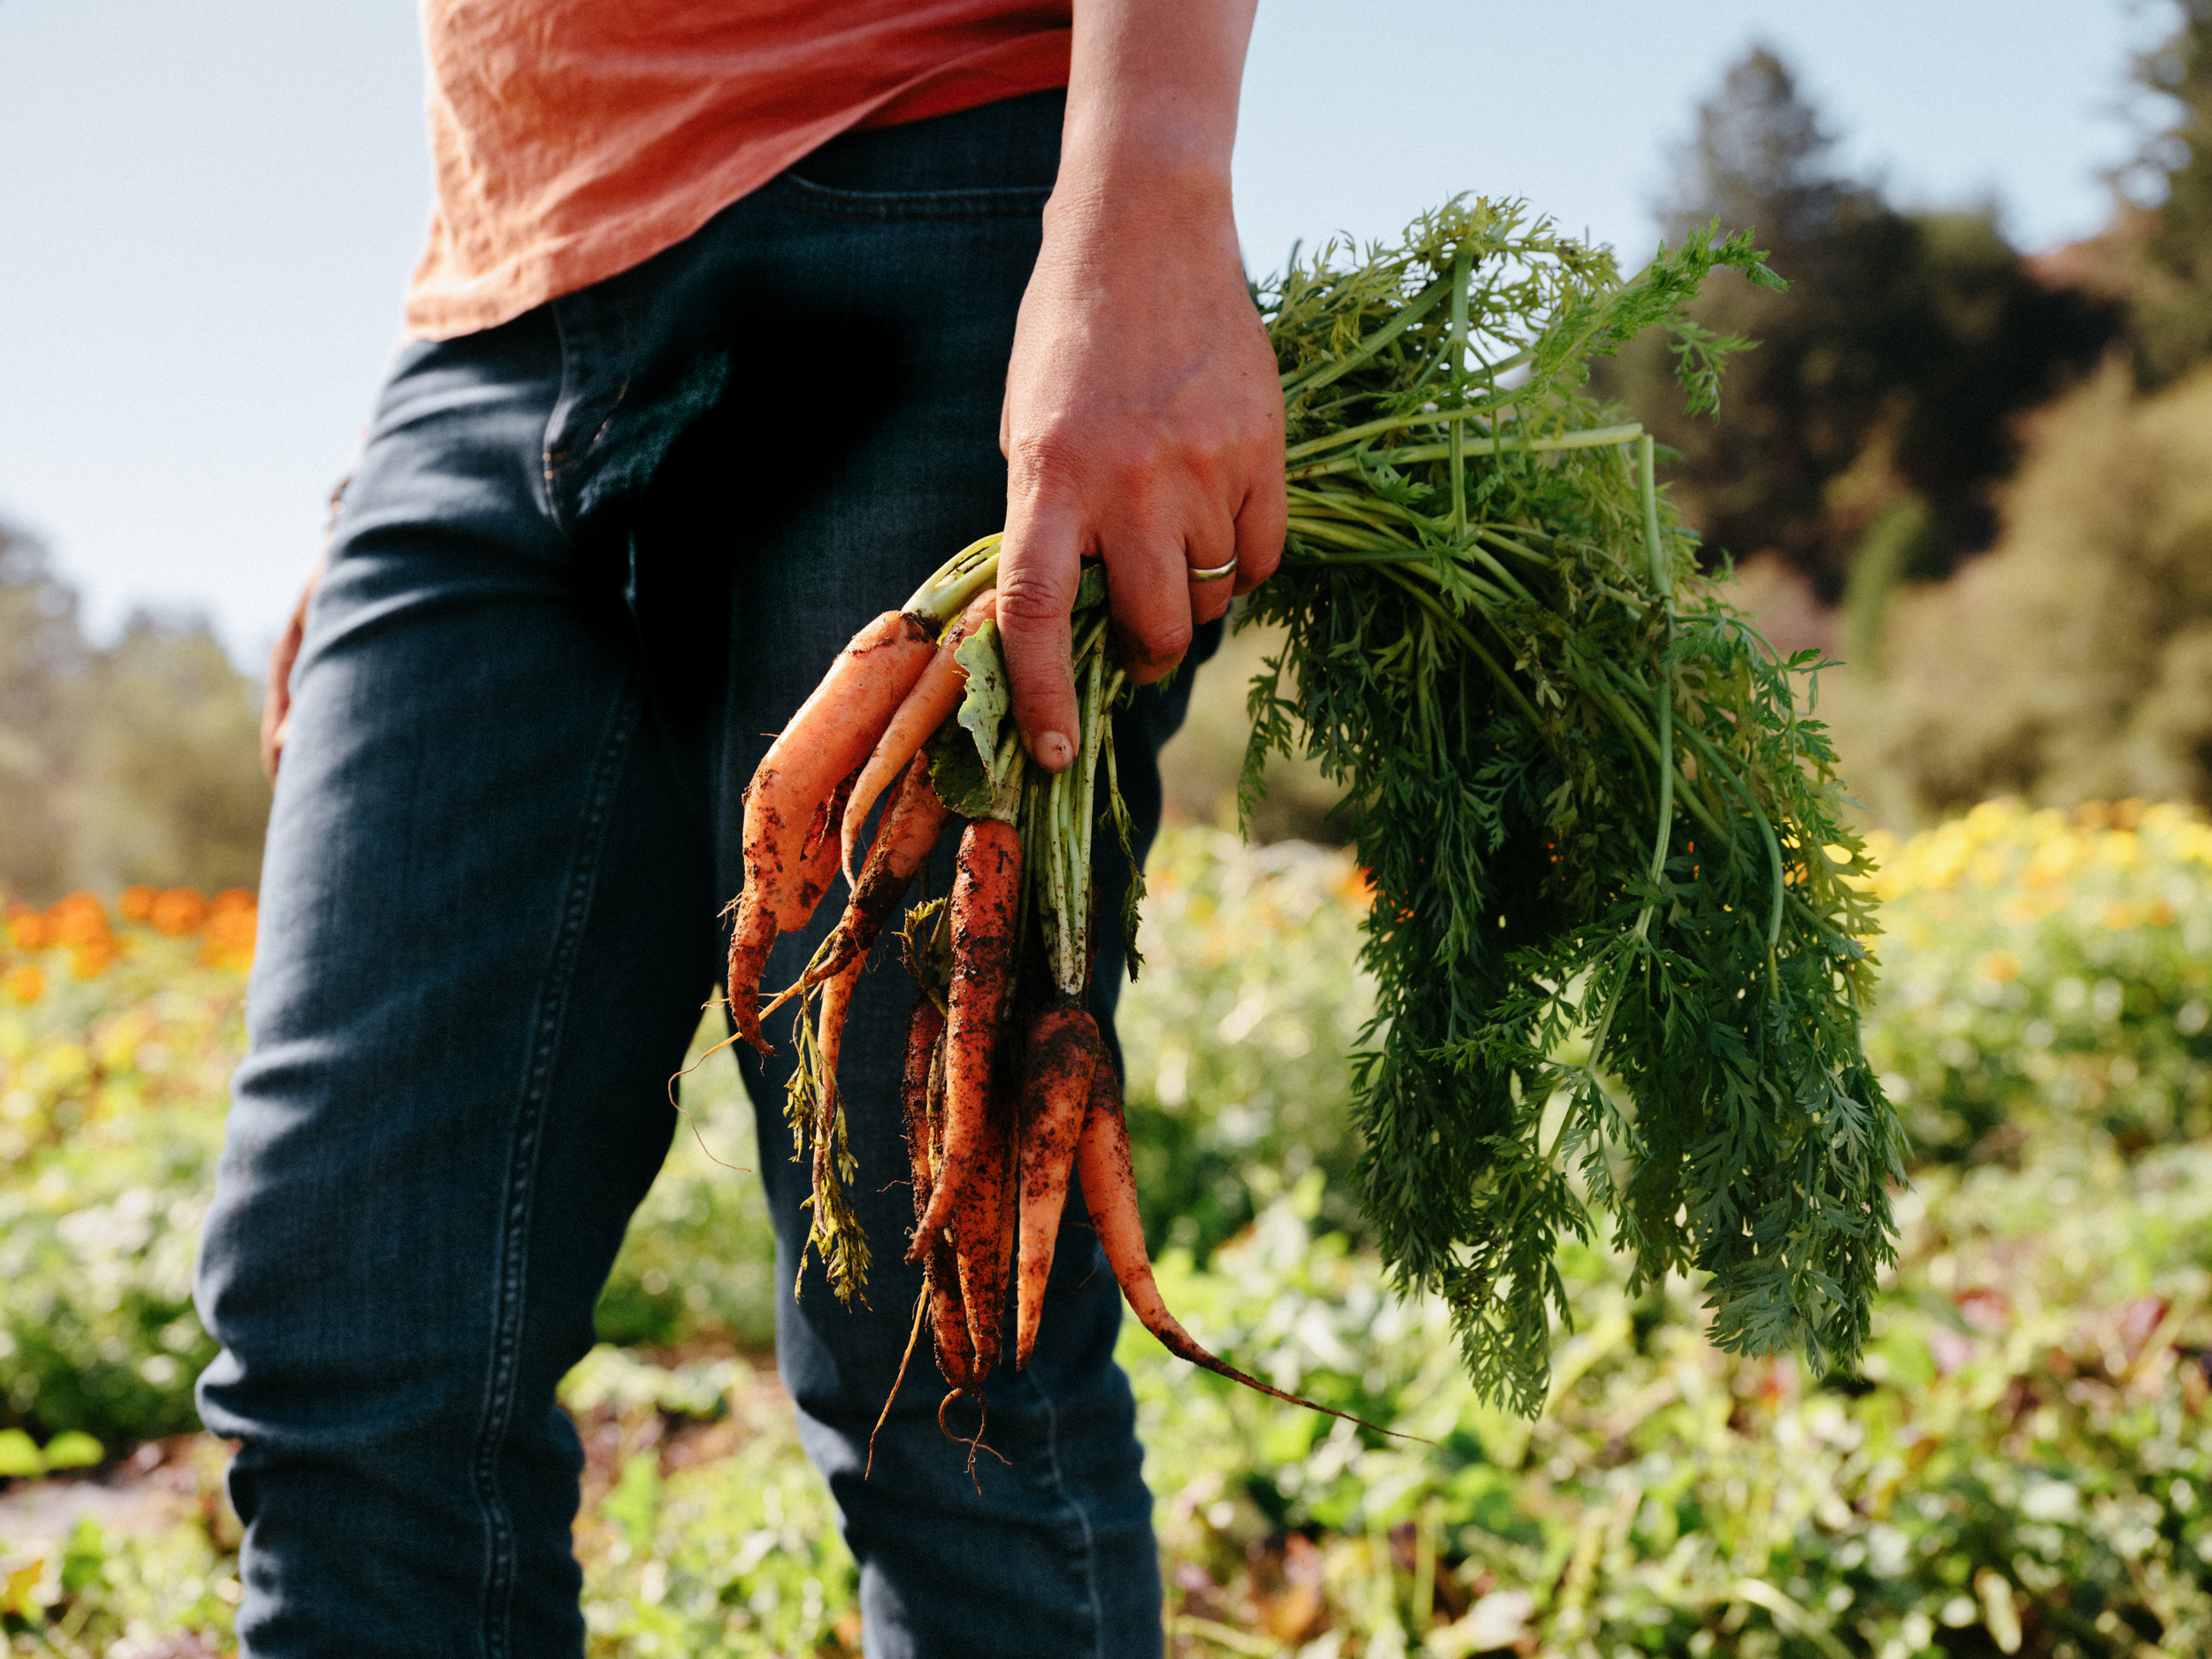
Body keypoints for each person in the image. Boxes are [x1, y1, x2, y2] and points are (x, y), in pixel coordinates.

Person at [194, 2, 1286, 1655]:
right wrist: (394, 450)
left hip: (932, 196)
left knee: (940, 1347)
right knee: (344, 1345)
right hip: (490, 339)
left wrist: (1150, 204)